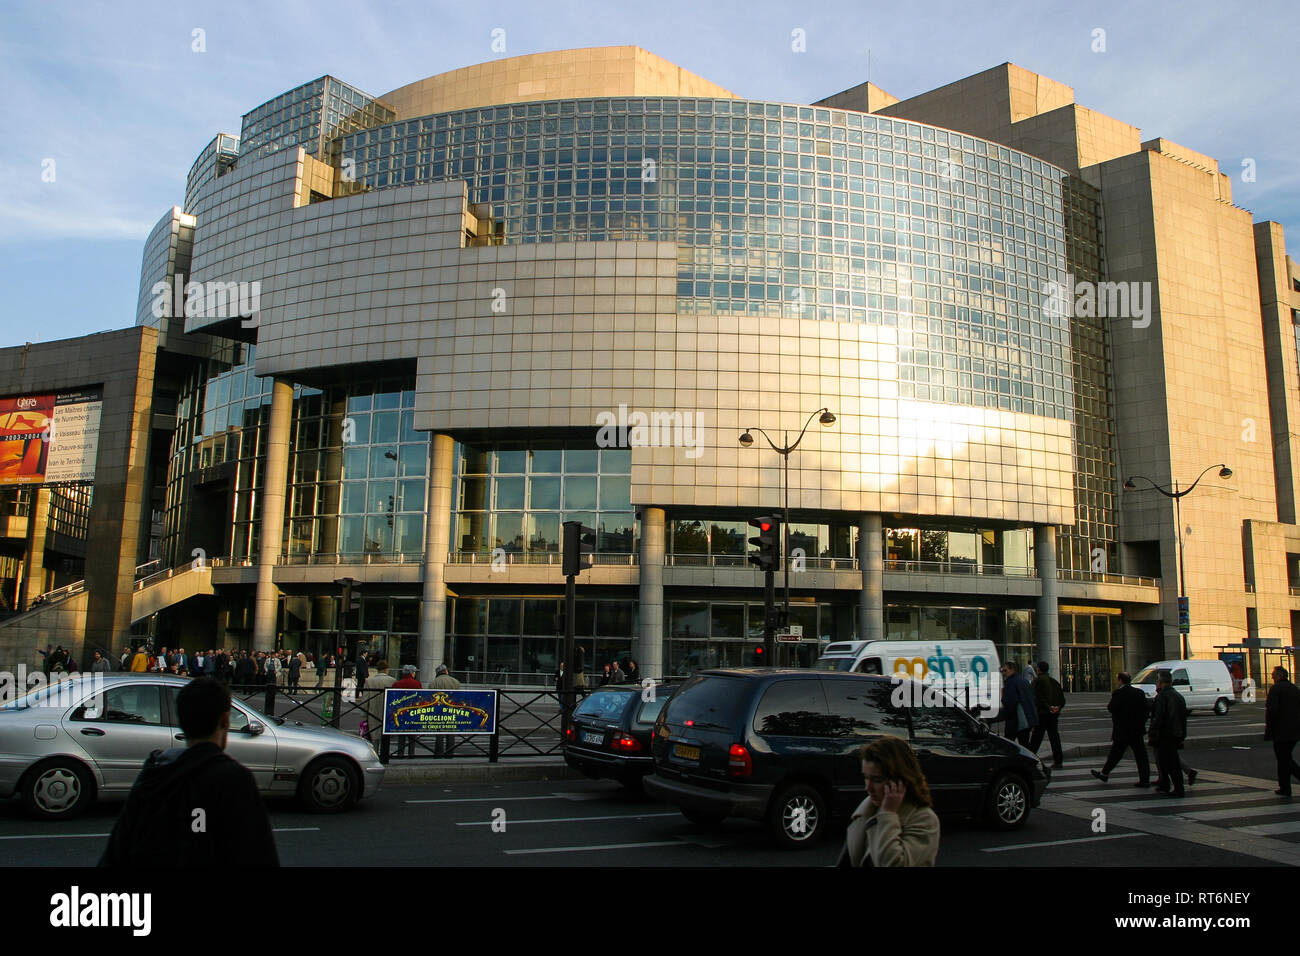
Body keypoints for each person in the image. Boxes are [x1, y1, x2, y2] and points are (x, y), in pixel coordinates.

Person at [99, 677, 279, 867]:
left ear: (181, 720)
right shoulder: (234, 779)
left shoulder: (155, 771)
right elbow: (259, 855)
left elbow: (118, 851)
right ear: (225, 720)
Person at [838, 736, 940, 867]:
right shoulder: (867, 809)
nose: (868, 788)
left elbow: (893, 863)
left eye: (877, 780)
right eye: (866, 778)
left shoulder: (924, 820)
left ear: (900, 780)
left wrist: (888, 814)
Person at [1091, 672, 1151, 786]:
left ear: (1120, 680)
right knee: (1141, 756)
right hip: (1136, 730)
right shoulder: (1139, 693)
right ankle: (1145, 779)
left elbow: (1111, 708)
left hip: (1122, 730)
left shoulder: (1118, 693)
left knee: (1115, 753)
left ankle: (1104, 773)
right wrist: (1140, 723)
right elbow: (1145, 710)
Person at [1148, 670, 1188, 796]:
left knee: (1168, 762)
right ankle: (1168, 785)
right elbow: (1183, 718)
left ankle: (1176, 787)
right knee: (1170, 761)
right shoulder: (1178, 695)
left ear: (1160, 682)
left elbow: (1159, 717)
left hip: (1165, 733)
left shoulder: (1163, 696)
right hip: (1176, 733)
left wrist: (1152, 730)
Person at [1265, 665, 1300, 796]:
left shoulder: (1275, 689)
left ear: (1279, 676)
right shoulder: (1294, 688)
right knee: (1285, 758)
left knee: (1284, 759)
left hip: (1280, 731)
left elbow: (1272, 711)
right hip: (1294, 730)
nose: (1271, 676)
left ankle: (1285, 787)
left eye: (1273, 674)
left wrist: (1268, 731)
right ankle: (1284, 787)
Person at [1029, 661, 1066, 769]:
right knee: (1054, 737)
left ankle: (1030, 760)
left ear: (1038, 669)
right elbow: (1062, 698)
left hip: (1042, 714)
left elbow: (1035, 698)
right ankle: (1058, 761)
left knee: (1036, 739)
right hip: (1053, 714)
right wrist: (1057, 707)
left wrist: (1047, 707)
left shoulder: (1037, 681)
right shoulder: (1054, 682)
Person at [998, 661, 1037, 747]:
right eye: (1002, 671)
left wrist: (1003, 714)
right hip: (1026, 718)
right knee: (1024, 743)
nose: (1003, 673)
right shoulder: (1023, 681)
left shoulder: (1010, 682)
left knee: (1009, 744)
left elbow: (1010, 701)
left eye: (1005, 670)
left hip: (1015, 719)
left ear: (1012, 670)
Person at [430, 664, 462, 758]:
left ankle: (438, 753)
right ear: (446, 671)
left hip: (439, 710)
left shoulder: (434, 682)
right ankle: (450, 753)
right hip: (451, 710)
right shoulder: (455, 681)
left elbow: (430, 697)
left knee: (439, 732)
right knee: (451, 732)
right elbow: (459, 697)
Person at [392, 665, 423, 758]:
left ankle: (400, 754)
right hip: (412, 712)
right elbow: (420, 698)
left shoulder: (397, 684)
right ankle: (411, 754)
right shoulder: (417, 684)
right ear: (412, 673)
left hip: (400, 712)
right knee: (412, 736)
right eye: (414, 672)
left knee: (401, 736)